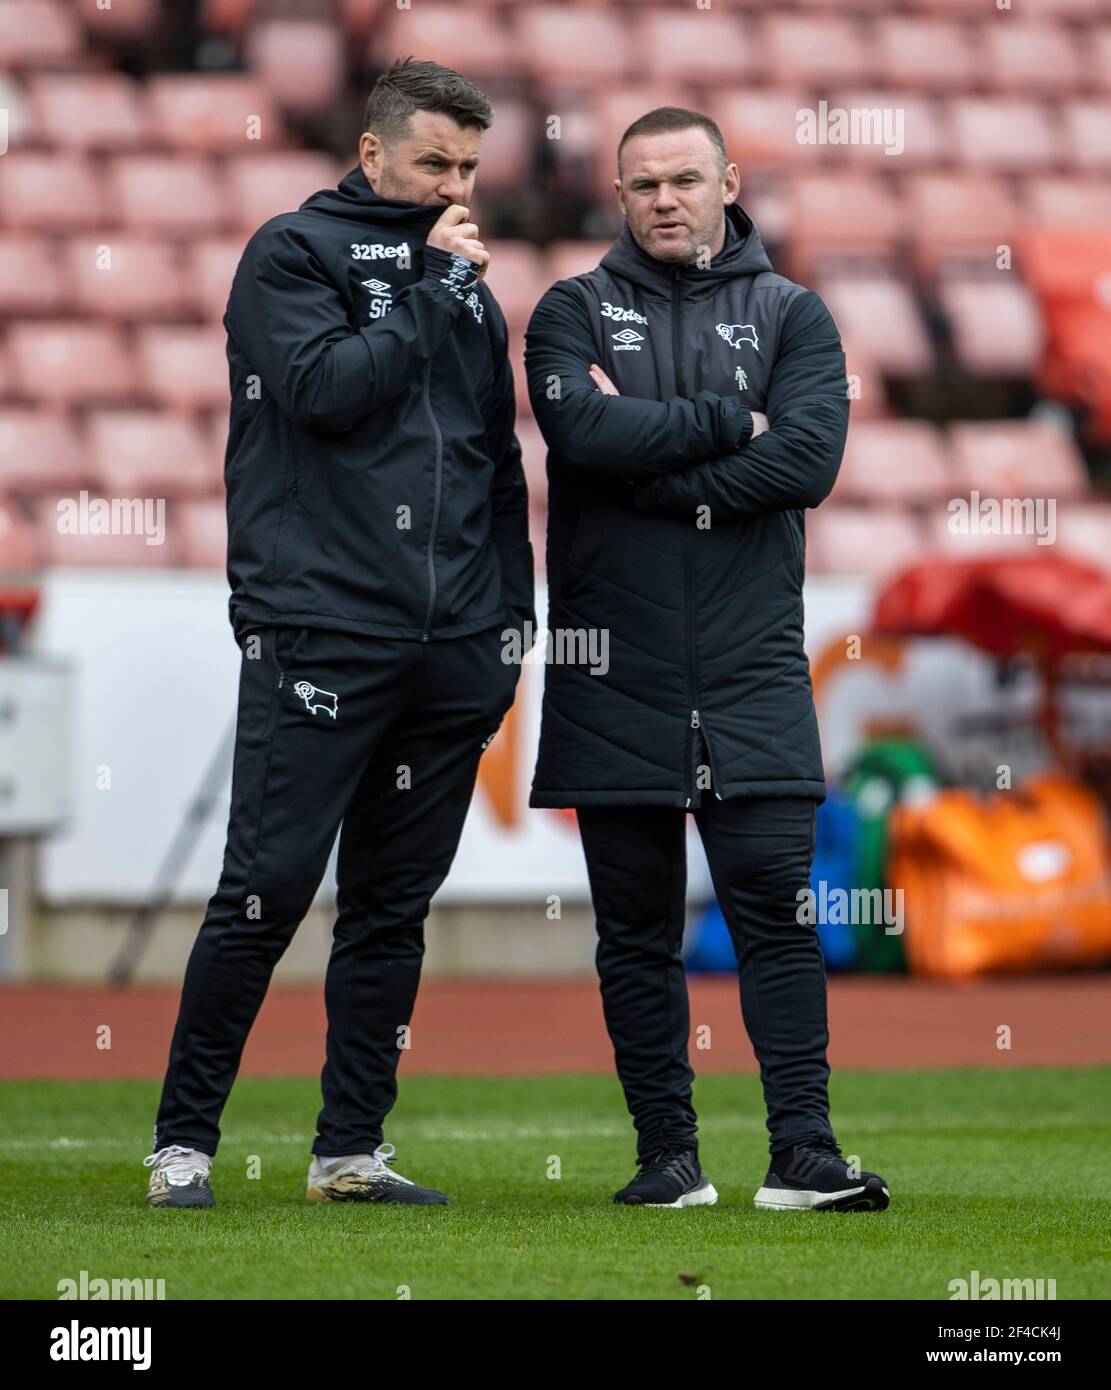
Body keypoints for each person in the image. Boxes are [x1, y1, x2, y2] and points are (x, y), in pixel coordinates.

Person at [144, 58, 534, 1208]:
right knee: (263, 891)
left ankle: (349, 1150)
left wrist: (509, 620)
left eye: (467, 167)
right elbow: (321, 391)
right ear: (371, 153)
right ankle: (184, 1144)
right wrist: (422, 286)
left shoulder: (465, 284)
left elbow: (494, 464)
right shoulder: (290, 255)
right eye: (432, 163)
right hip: (320, 631)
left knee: (390, 908)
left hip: (453, 644)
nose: (452, 186)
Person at [525, 106, 889, 1211]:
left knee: (778, 921)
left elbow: (808, 461)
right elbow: (577, 437)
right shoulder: (568, 310)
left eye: (686, 178)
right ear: (619, 196)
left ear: (728, 180)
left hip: (752, 675)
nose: (666, 199)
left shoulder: (796, 315)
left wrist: (655, 467)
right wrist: (735, 424)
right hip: (611, 674)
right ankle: (666, 1158)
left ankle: (803, 1155)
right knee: (632, 936)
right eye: (644, 185)